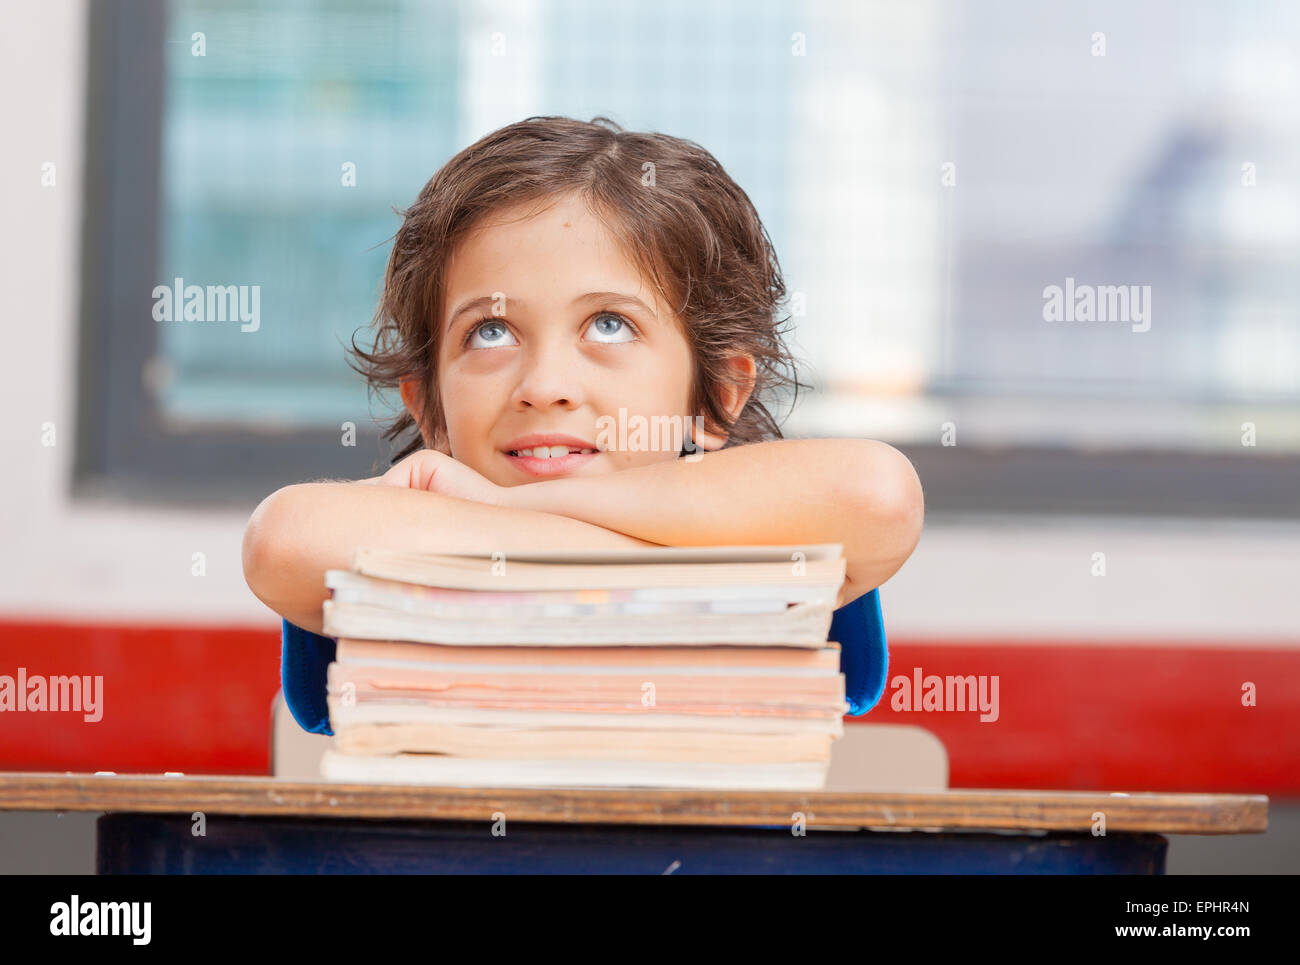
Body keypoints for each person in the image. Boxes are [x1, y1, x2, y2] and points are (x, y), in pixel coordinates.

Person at [242, 115, 924, 736]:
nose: (544, 387)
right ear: (430, 410)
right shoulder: (394, 527)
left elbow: (880, 492)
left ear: (717, 394)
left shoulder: (779, 519)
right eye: (491, 330)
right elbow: (284, 539)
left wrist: (504, 507)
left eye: (608, 324)